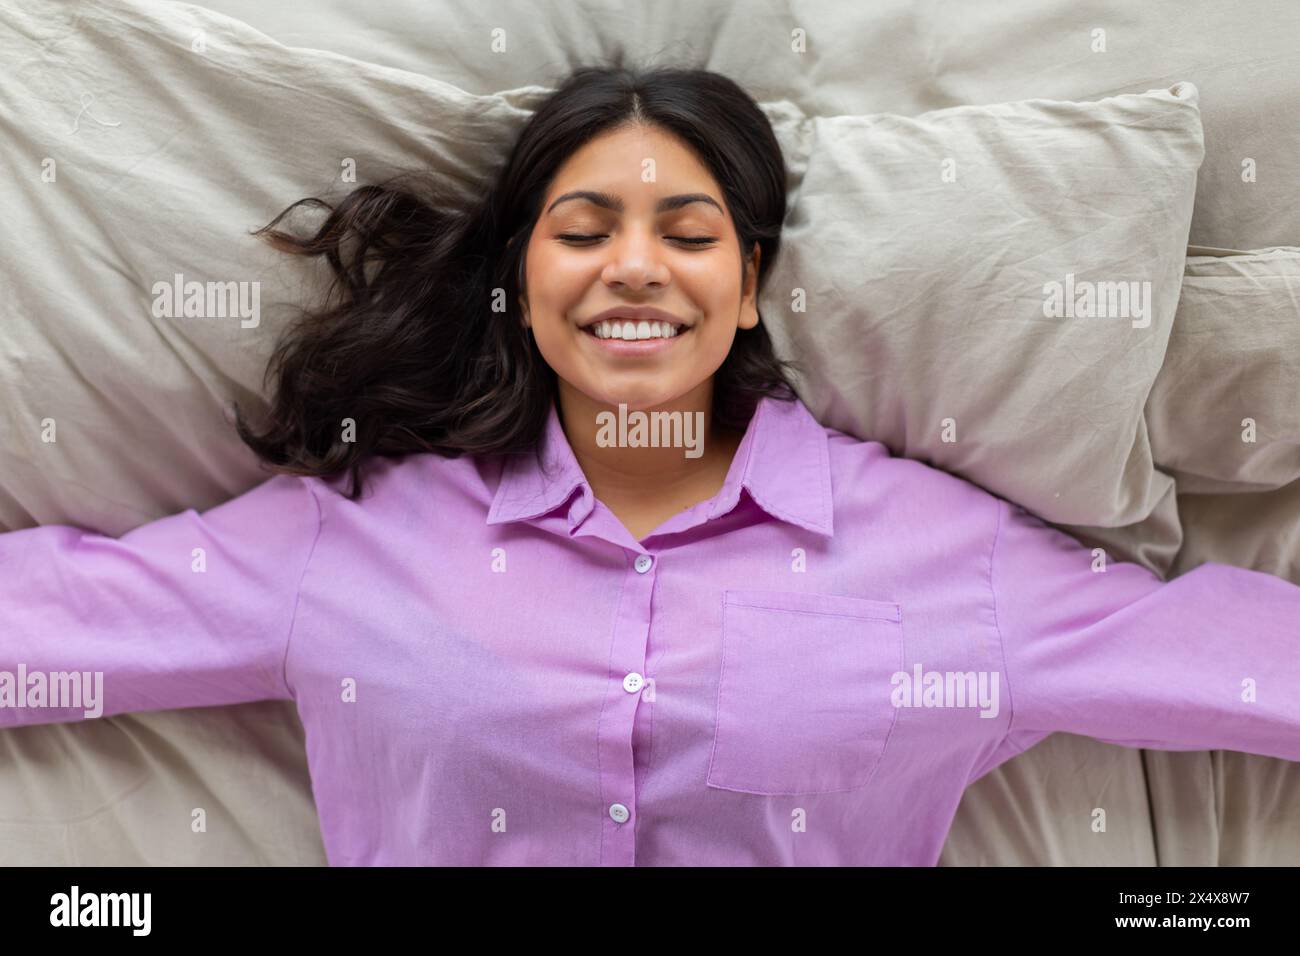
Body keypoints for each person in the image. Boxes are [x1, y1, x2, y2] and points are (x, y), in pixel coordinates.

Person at [2, 65, 1298, 866]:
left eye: (688, 230)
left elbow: (1219, 657)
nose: (632, 264)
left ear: (747, 292)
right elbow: (71, 620)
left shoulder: (941, 555)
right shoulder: (354, 539)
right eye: (583, 229)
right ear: (521, 281)